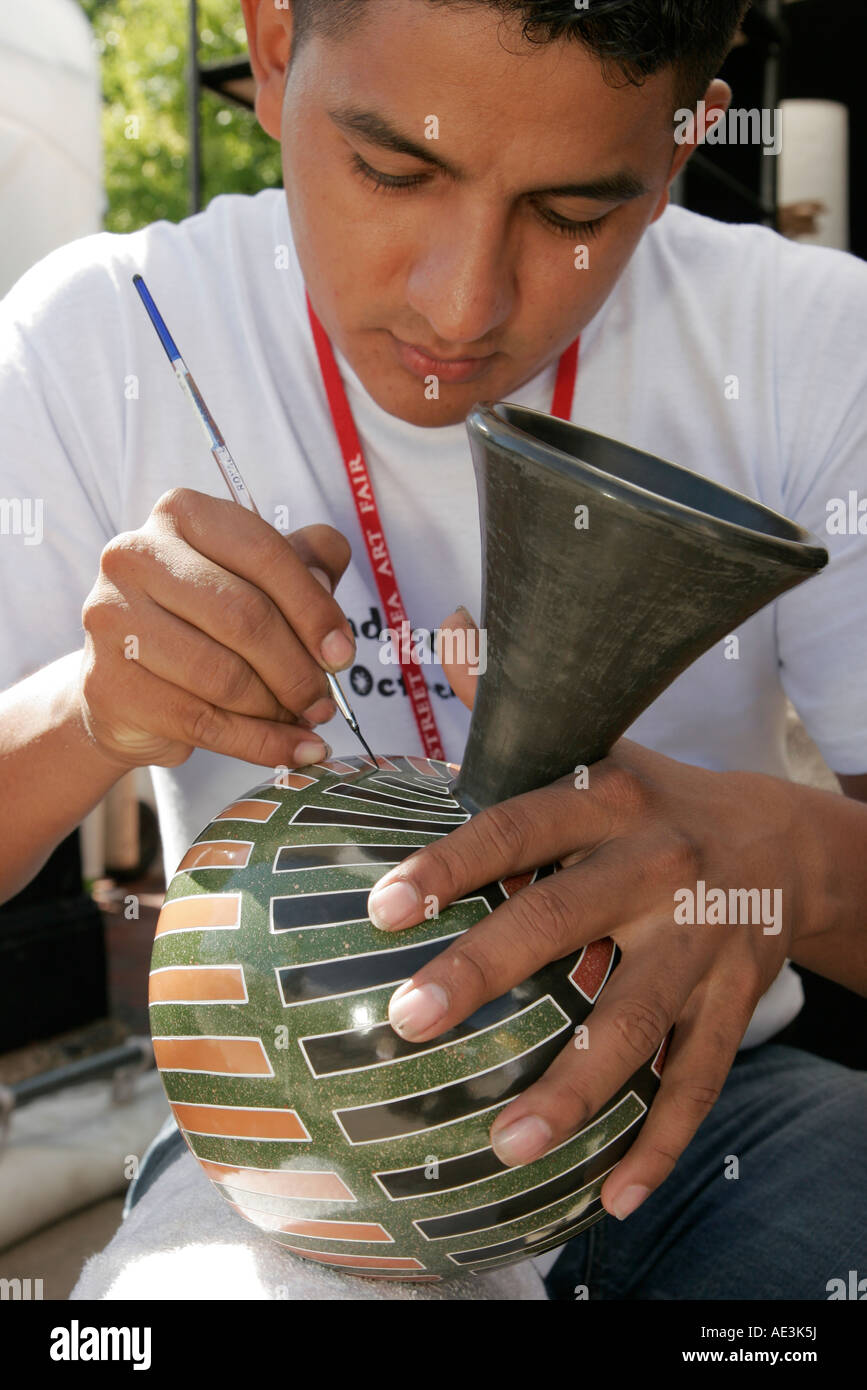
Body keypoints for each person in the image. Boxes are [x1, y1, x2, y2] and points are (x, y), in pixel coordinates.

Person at [0, 0, 865, 1301]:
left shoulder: (819, 342)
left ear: (688, 132)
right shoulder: (104, 332)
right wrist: (89, 712)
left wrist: (791, 861)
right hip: (289, 1110)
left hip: (712, 1097)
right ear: (277, 40)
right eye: (394, 170)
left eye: (577, 213)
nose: (464, 303)